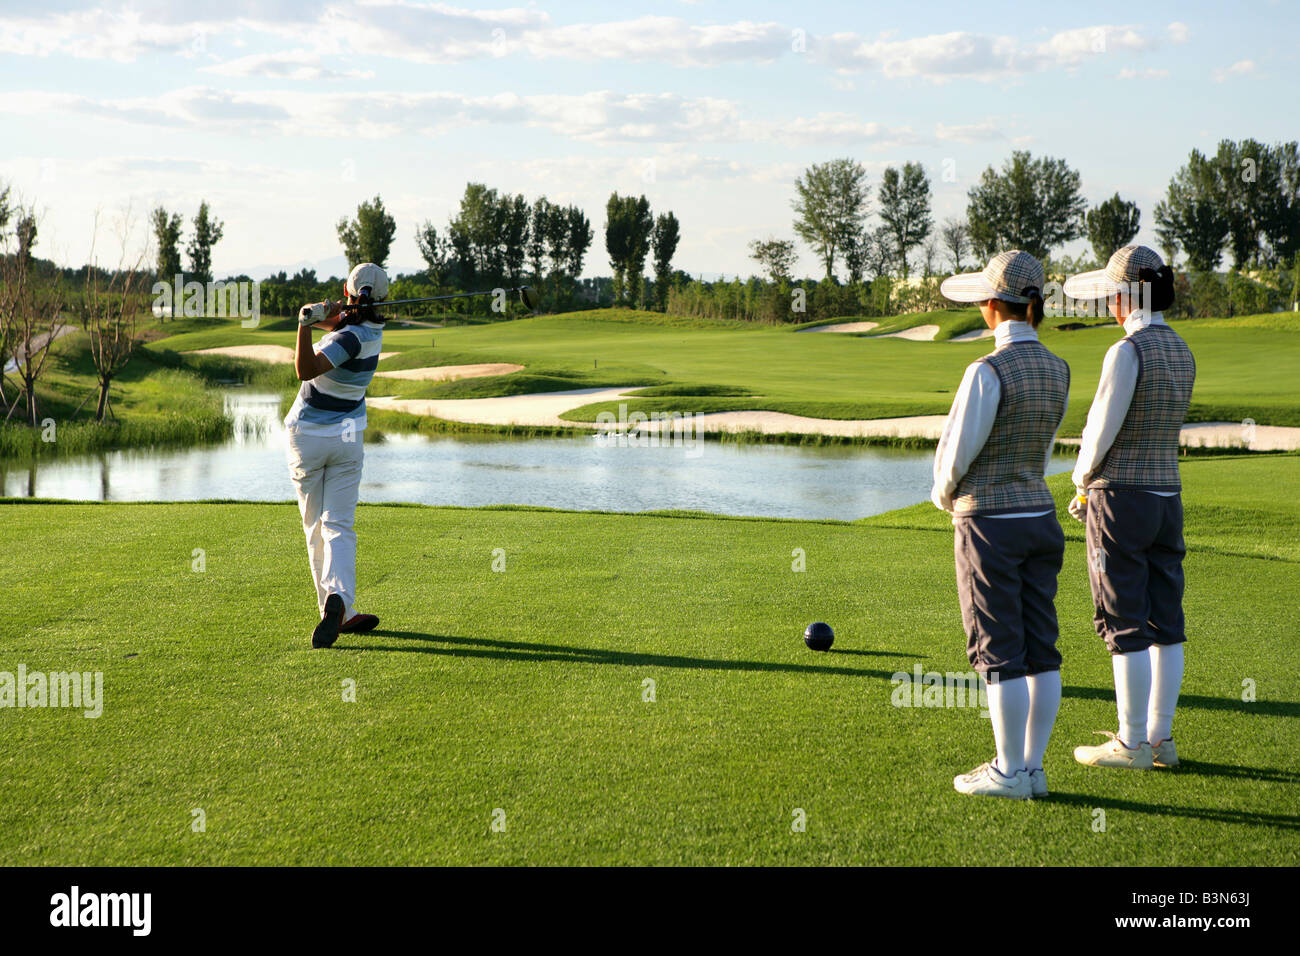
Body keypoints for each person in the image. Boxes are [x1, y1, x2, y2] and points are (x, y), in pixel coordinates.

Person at [932, 251, 1071, 800]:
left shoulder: (985, 370)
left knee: (999, 650)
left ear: (992, 306)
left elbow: (956, 454)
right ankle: (1031, 767)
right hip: (1039, 514)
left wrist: (945, 497)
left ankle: (1009, 772)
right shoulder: (1058, 368)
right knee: (1041, 647)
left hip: (988, 521)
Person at [1063, 245, 1193, 770]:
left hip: (1120, 497)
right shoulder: (1182, 349)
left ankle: (1131, 741)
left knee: (1124, 621)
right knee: (1166, 619)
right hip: (1168, 497)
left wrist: (1080, 482)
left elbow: (1100, 430)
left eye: (1114, 294)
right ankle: (1161, 740)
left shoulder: (1126, 351)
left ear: (1125, 296)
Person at [287, 262, 389, 648]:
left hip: (308, 437)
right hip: (348, 440)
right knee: (339, 526)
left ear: (349, 292)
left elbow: (305, 368)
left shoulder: (348, 340)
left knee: (315, 527)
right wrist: (326, 314)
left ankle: (334, 607)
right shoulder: (372, 330)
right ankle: (341, 604)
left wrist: (304, 324)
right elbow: (346, 322)